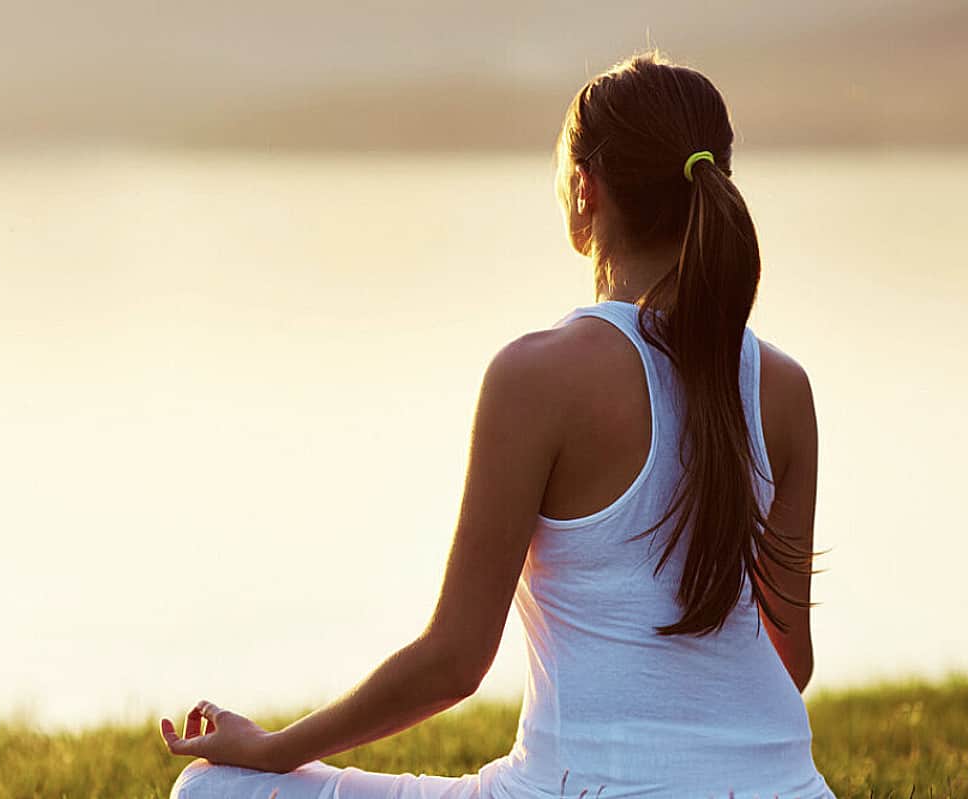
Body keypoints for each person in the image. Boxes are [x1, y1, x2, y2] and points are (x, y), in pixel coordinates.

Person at [161, 50, 835, 799]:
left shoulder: (537, 376)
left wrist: (274, 747)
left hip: (574, 789)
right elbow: (789, 663)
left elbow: (455, 662)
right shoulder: (783, 386)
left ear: (586, 192)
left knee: (209, 789)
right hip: (789, 789)